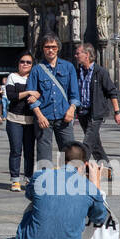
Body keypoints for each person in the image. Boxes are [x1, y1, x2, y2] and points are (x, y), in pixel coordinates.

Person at [25, 36, 79, 169]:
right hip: (44, 117)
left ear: (58, 49)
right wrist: (39, 116)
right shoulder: (37, 70)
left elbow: (75, 94)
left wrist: (71, 110)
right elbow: (31, 96)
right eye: (47, 47)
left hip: (64, 116)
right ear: (43, 49)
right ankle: (45, 183)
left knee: (69, 152)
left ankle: (70, 181)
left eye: (53, 47)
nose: (50, 50)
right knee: (44, 154)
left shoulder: (68, 67)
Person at [73, 44, 120, 165]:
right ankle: (107, 169)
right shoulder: (77, 71)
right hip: (82, 112)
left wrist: (117, 112)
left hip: (96, 113)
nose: (76, 55)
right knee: (95, 144)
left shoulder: (100, 72)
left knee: (88, 141)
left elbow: (112, 92)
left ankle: (78, 166)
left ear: (87, 55)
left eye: (78, 53)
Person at [3, 52, 40, 193]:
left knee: (30, 152)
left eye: (28, 62)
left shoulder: (35, 78)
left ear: (32, 65)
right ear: (18, 63)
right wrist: (29, 92)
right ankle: (15, 180)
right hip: (14, 119)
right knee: (16, 150)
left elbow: (41, 92)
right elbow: (11, 96)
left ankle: (29, 178)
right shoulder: (13, 77)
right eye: (22, 61)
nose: (25, 64)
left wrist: (36, 94)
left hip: (31, 120)